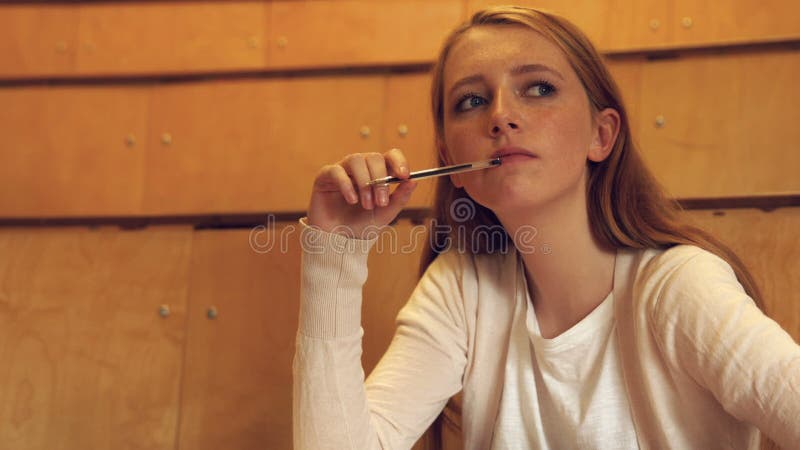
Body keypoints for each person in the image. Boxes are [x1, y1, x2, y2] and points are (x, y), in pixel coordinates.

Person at [293, 6, 799, 450]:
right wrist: (334, 254)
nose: (500, 116)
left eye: (539, 89)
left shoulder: (681, 286)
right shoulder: (462, 289)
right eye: (472, 101)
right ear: (450, 161)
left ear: (602, 134)